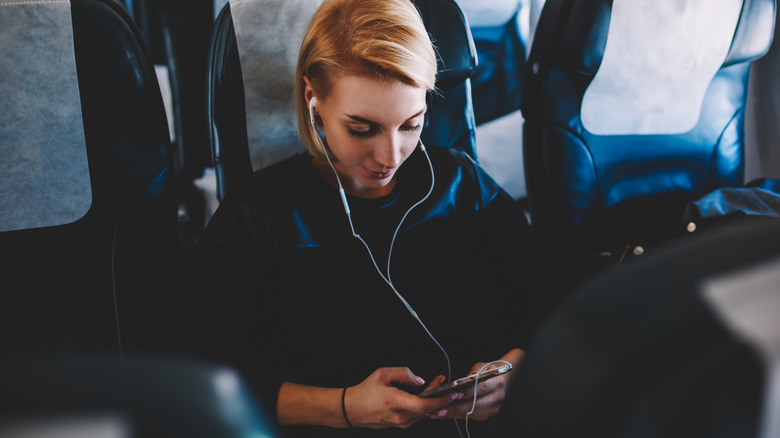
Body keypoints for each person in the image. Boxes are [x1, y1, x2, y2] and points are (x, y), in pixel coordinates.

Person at [185, 0, 548, 436]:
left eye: (411, 125)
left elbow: (544, 306)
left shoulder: (462, 186)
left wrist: (511, 373)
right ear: (312, 99)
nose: (390, 157)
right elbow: (209, 385)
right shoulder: (256, 221)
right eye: (362, 129)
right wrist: (345, 407)